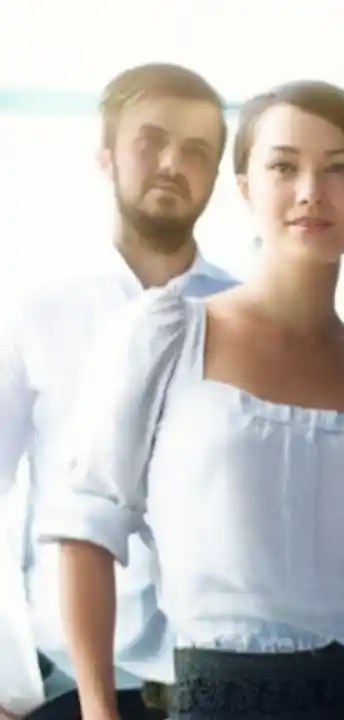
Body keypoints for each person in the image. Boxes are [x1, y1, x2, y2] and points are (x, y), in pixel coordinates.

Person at [38, 81, 344, 719]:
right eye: (284, 166)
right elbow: (86, 528)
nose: (311, 191)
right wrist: (99, 711)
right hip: (223, 693)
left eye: (338, 169)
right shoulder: (169, 335)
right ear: (244, 187)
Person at [0, 62, 236, 720]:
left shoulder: (249, 315)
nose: (172, 163)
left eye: (196, 151)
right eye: (150, 141)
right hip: (70, 685)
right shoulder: (36, 310)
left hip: (227, 678)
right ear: (105, 156)